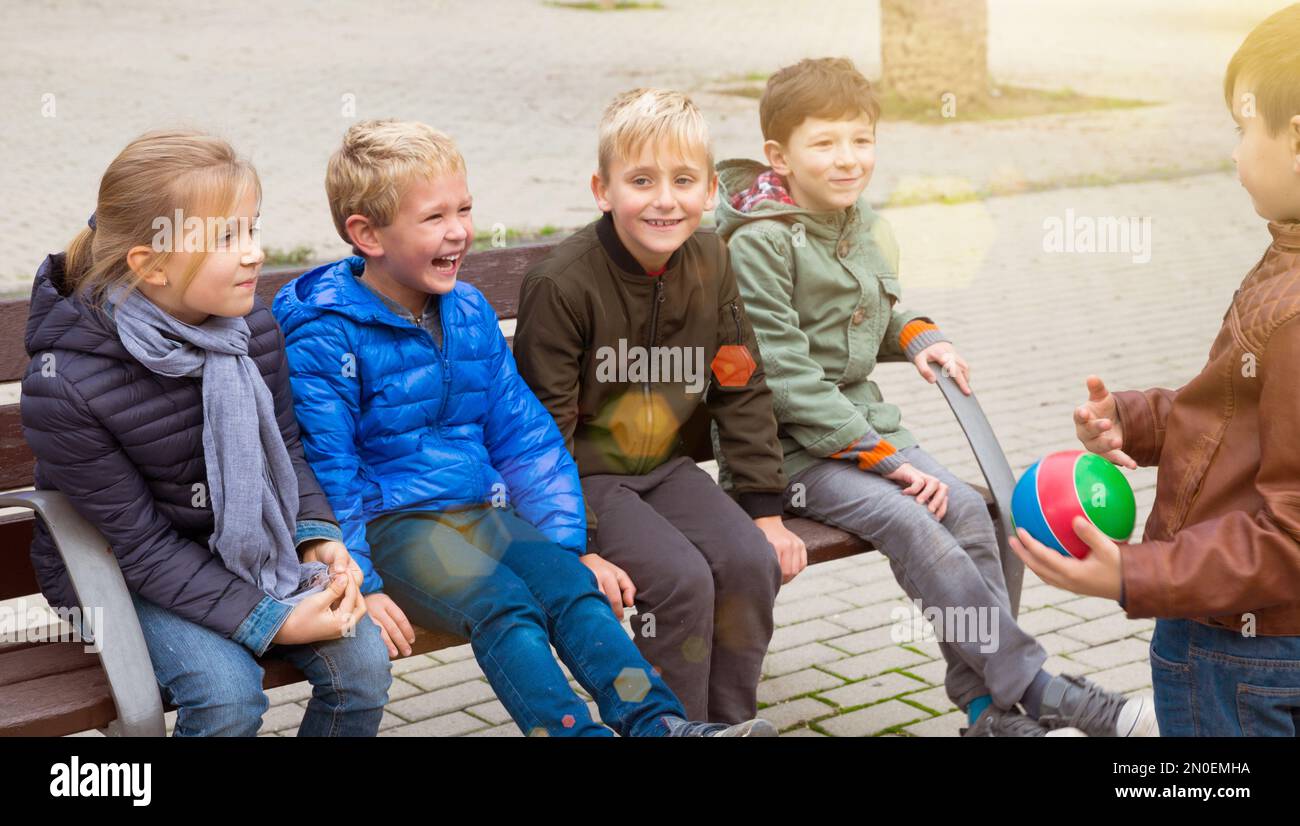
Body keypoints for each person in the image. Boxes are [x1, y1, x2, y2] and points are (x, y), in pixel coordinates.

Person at [273, 118, 776, 736]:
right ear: (366, 233)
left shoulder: (466, 310)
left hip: (480, 510)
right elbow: (329, 468)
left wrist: (570, 545)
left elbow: (523, 436)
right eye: (434, 218)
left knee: (572, 591)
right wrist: (361, 582)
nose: (458, 230)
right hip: (391, 528)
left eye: (464, 209)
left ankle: (660, 725)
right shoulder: (325, 335)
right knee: (503, 607)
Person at [716, 58, 1155, 737]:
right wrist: (886, 458)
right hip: (784, 455)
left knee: (983, 516)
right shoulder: (760, 243)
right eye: (825, 143)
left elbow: (871, 313)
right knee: (917, 524)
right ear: (779, 155)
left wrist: (922, 338)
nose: (847, 159)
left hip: (861, 432)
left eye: (861, 140)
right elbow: (786, 376)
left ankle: (988, 710)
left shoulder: (850, 218)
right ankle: (1039, 691)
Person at [21, 130, 391, 737]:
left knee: (363, 667)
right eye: (226, 237)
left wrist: (316, 539)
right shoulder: (65, 385)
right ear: (151, 263)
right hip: (113, 572)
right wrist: (272, 621)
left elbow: (287, 455)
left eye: (252, 227)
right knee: (226, 695)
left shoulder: (253, 332)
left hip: (244, 551)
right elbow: (138, 547)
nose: (254, 253)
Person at [1013, 4, 1300, 736]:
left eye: (1242, 130)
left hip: (1237, 650)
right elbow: (1238, 413)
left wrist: (1134, 573)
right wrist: (1139, 420)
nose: (1235, 155)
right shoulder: (1287, 260)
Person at [515, 88, 803, 723]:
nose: (664, 199)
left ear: (709, 193)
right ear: (603, 189)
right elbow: (541, 436)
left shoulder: (712, 259)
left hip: (665, 468)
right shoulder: (562, 284)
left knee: (751, 563)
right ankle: (671, 728)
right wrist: (576, 546)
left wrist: (765, 509)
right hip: (585, 479)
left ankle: (729, 726)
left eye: (682, 180)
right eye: (641, 180)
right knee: (680, 581)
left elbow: (741, 382)